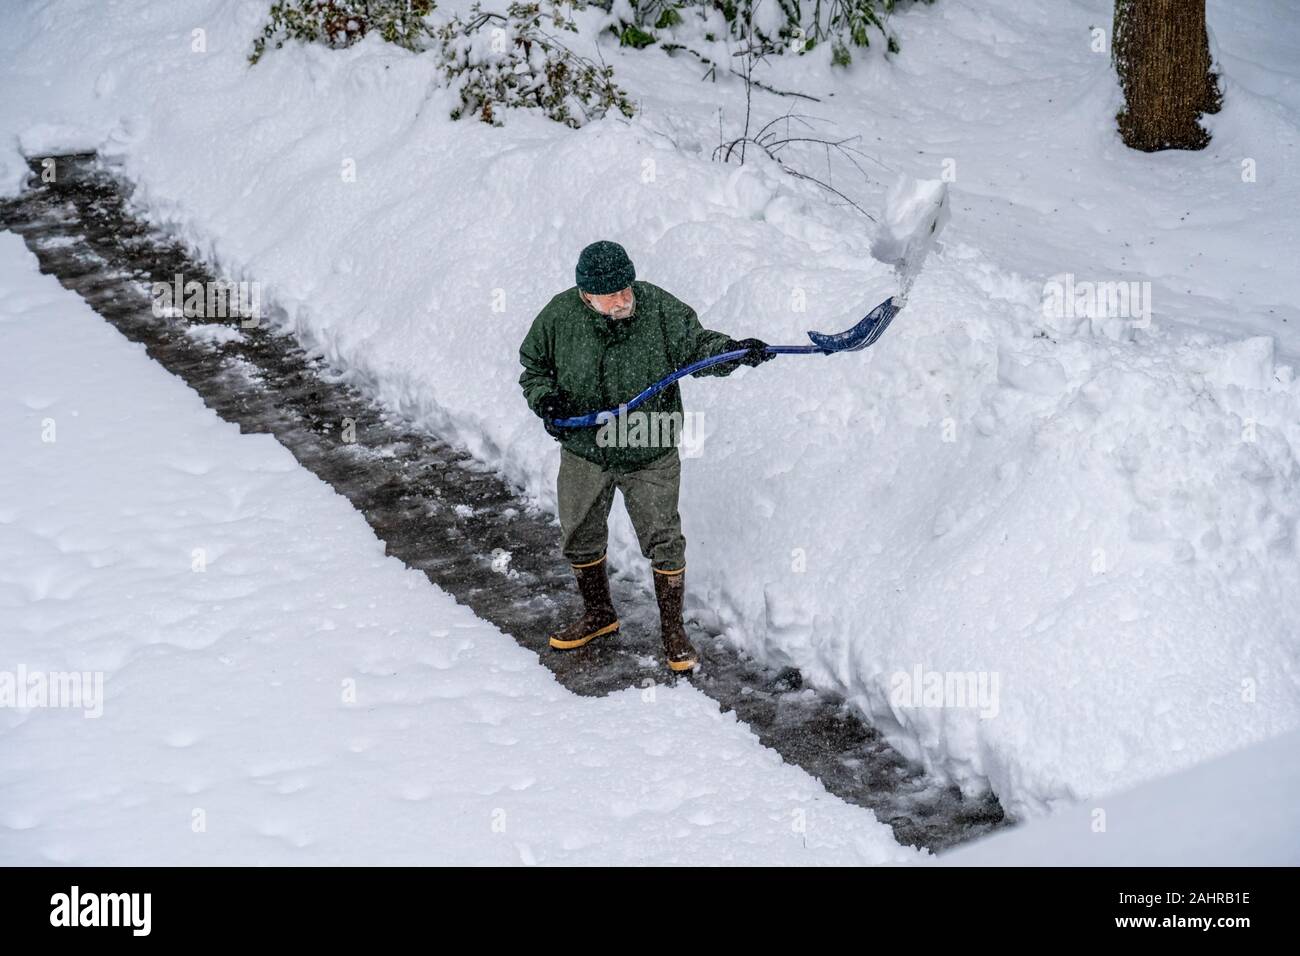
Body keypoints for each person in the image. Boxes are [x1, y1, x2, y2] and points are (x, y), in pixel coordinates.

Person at [518, 240, 773, 671]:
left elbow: (696, 346)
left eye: (626, 289)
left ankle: (673, 631)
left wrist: (734, 352)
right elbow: (534, 369)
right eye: (611, 295)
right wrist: (548, 403)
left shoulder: (656, 308)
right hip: (587, 448)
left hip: (649, 445)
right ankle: (599, 614)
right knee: (578, 534)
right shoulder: (559, 317)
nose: (622, 300)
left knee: (664, 539)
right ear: (586, 294)